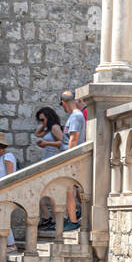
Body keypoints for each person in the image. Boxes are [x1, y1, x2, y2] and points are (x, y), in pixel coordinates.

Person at [59, 91, 85, 230]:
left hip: (71, 158)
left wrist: (68, 159)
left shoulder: (75, 116)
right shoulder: (76, 116)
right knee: (72, 189)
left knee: (69, 190)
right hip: (72, 158)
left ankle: (73, 220)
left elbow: (73, 139)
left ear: (63, 102)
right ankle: (74, 216)